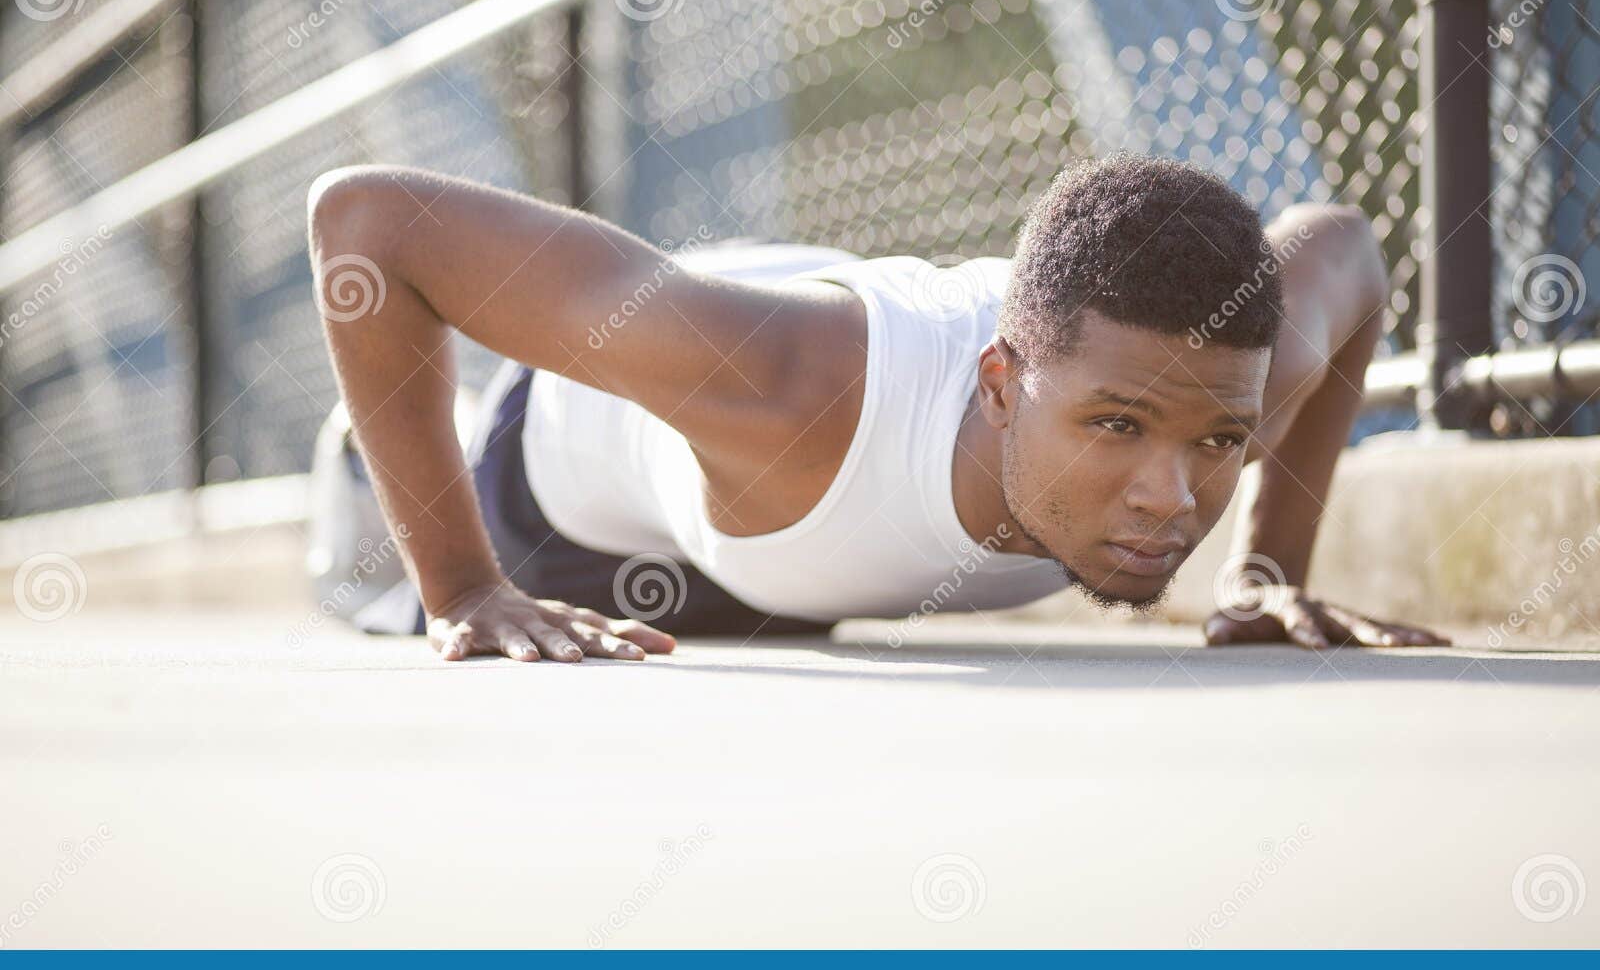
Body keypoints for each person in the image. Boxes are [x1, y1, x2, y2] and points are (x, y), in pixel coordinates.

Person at [306, 152, 1450, 662]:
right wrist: (462, 584)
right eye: (1114, 426)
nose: (1172, 496)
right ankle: (364, 471)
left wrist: (1263, 570)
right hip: (569, 512)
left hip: (791, 570)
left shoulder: (1223, 363)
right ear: (1000, 386)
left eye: (1219, 442)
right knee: (401, 591)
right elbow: (365, 223)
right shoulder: (788, 388)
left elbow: (1344, 245)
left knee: (780, 604)